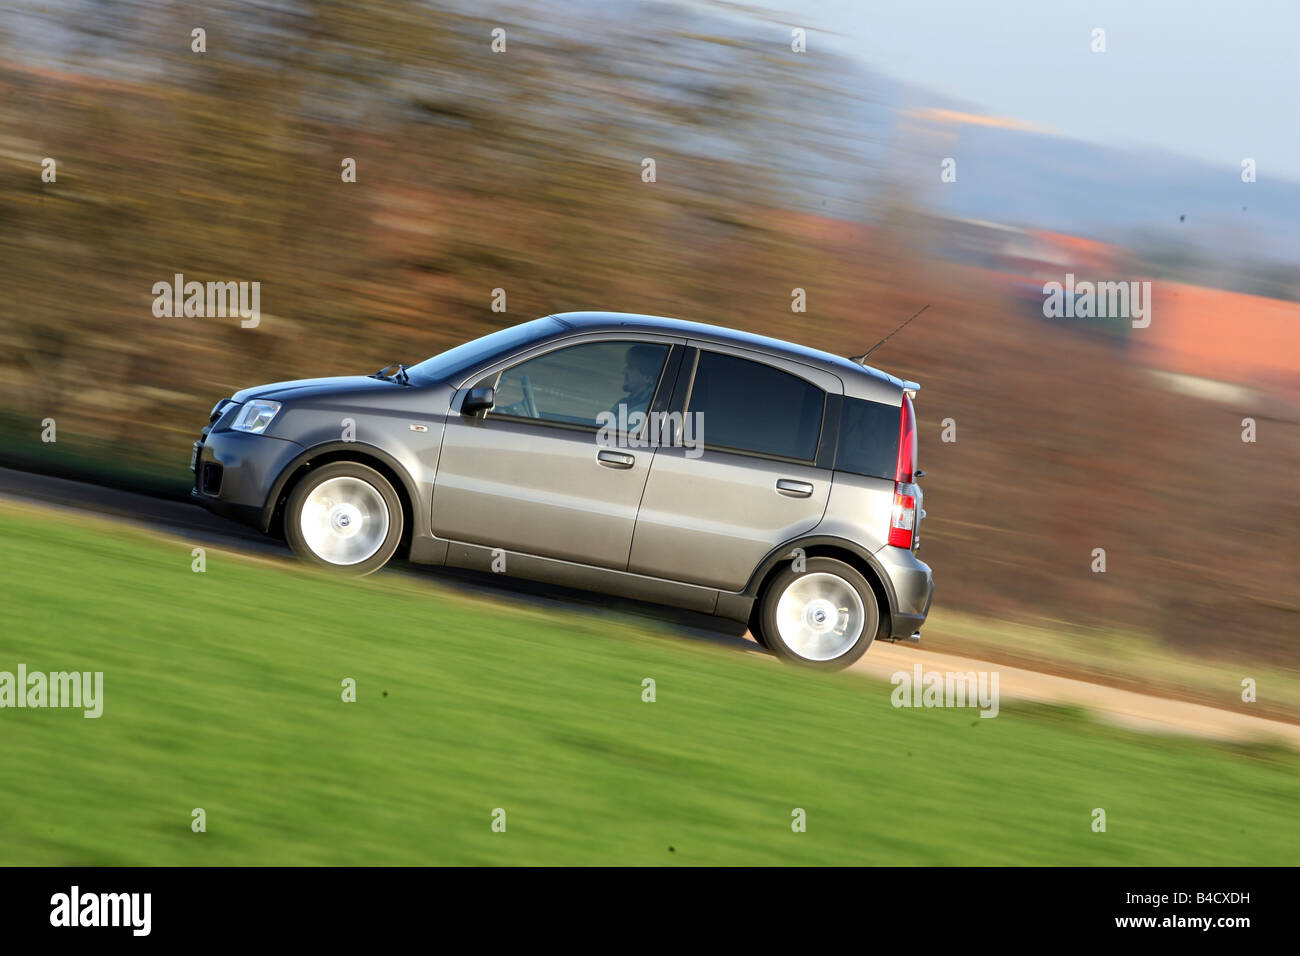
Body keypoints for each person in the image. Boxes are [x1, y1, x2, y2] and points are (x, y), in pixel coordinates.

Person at [609, 344, 662, 419]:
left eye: (630, 367)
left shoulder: (643, 410)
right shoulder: (629, 404)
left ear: (647, 378)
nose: (624, 371)